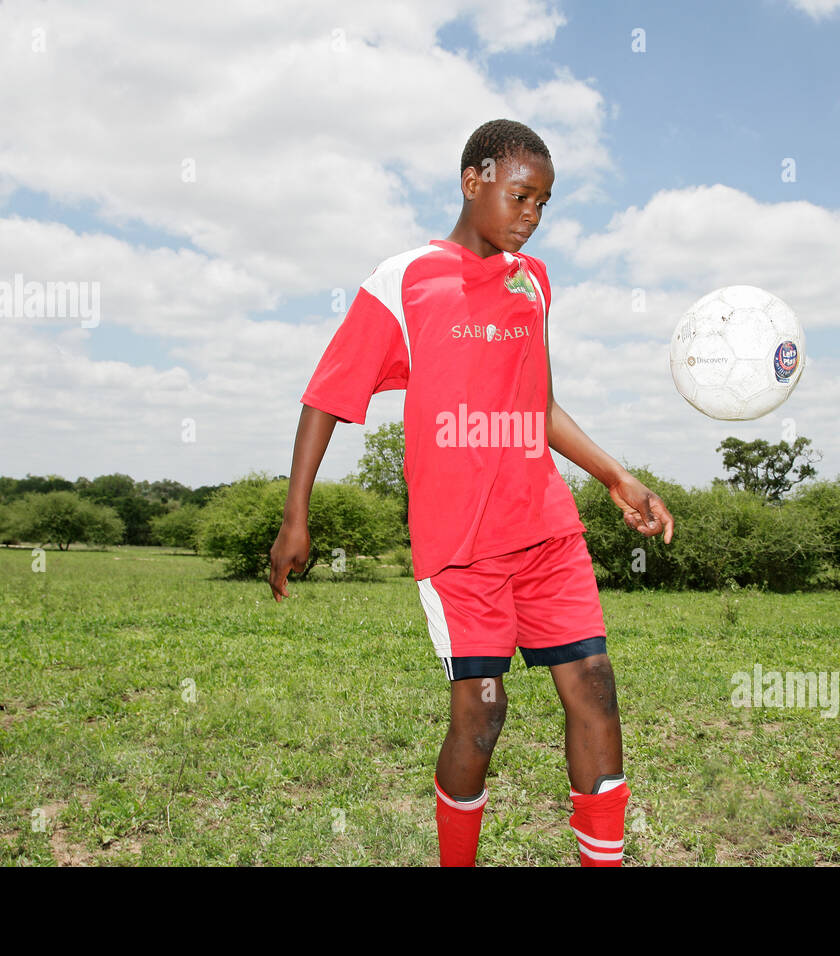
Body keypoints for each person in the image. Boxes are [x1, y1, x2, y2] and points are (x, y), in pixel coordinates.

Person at [269, 119, 674, 866]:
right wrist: (297, 518)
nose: (532, 216)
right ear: (473, 180)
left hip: (546, 528)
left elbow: (540, 405)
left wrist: (616, 475)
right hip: (461, 545)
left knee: (595, 689)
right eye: (521, 196)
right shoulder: (405, 281)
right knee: (482, 715)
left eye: (545, 204)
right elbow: (325, 395)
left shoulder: (533, 283)